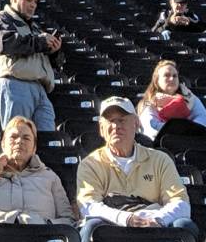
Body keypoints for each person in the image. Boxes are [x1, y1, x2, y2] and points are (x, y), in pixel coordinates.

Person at [76, 97, 191, 228]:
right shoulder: (90, 164)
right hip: (112, 226)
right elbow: (88, 206)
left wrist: (158, 219)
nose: (116, 126)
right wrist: (126, 219)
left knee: (184, 225)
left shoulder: (160, 160)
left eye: (122, 120)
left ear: (136, 124)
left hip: (155, 223)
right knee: (92, 226)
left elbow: (180, 202)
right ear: (101, 129)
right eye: (110, 121)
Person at [0, 0, 62, 131]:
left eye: (35, 1)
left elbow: (48, 61)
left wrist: (54, 51)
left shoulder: (35, 28)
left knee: (47, 143)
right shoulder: (1, 19)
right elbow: (7, 44)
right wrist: (40, 42)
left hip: (40, 88)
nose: (32, 5)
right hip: (16, 84)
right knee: (18, 138)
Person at [136, 58, 206, 139]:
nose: (172, 79)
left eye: (175, 76)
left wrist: (184, 131)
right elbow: (151, 128)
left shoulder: (190, 99)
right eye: (167, 75)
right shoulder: (149, 103)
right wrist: (184, 130)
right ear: (157, 80)